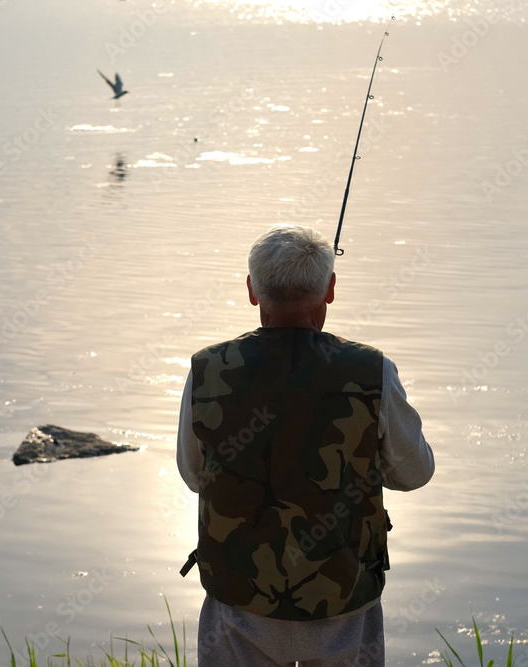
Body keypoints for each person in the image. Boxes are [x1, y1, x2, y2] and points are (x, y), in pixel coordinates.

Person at [175, 224, 435, 666]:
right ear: (330, 289)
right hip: (344, 598)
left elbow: (194, 475)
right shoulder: (373, 370)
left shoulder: (207, 370)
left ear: (253, 291)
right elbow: (414, 473)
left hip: (239, 597)